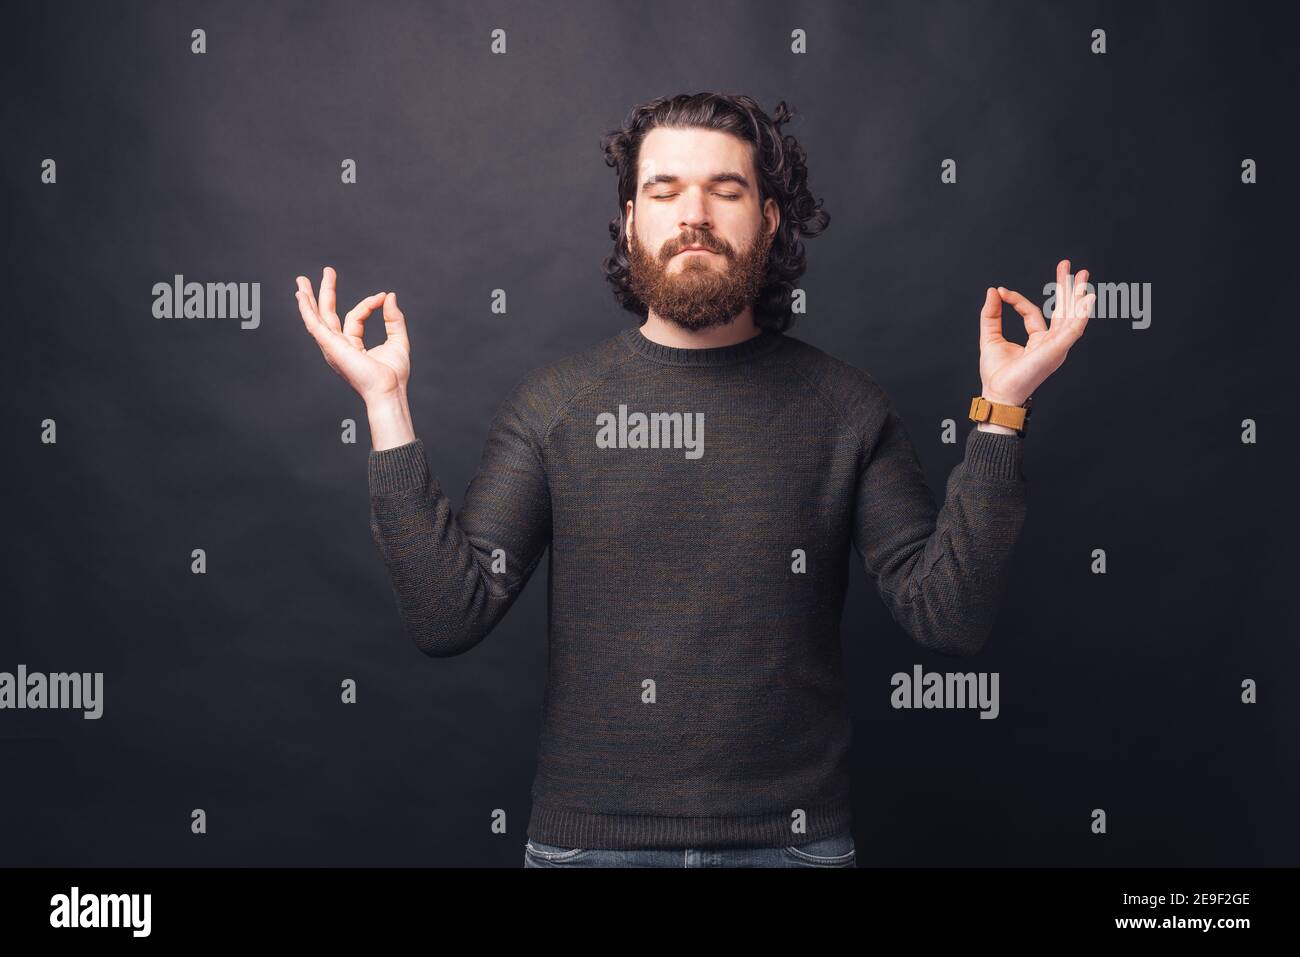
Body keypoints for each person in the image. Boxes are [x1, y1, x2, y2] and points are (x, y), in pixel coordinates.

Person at [294, 92, 1092, 868]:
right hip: (588, 848)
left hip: (795, 846)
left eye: (726, 188)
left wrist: (1003, 409)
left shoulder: (845, 407)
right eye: (664, 189)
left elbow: (948, 615)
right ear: (631, 220)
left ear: (769, 219)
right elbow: (446, 615)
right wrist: (385, 400)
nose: (694, 215)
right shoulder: (554, 408)